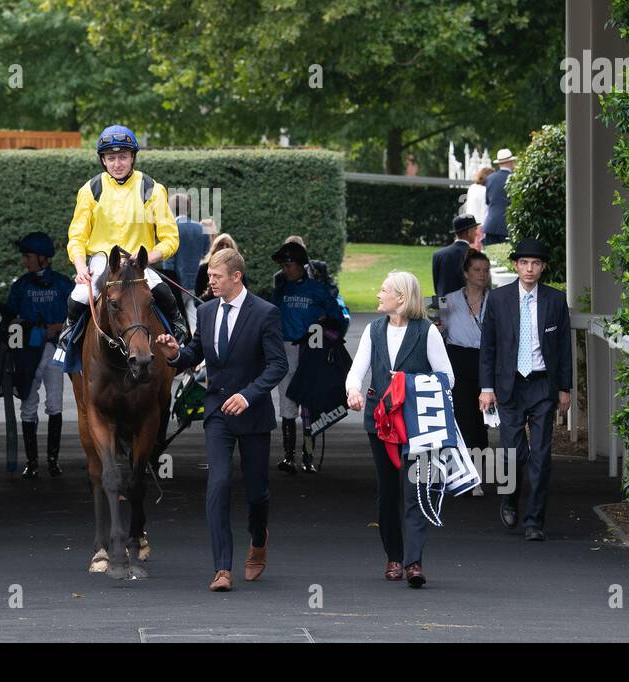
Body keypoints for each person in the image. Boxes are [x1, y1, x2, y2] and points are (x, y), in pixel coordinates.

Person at [155, 248, 288, 592]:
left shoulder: (266, 313)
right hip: (216, 413)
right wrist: (174, 353)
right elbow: (195, 352)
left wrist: (248, 395)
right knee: (218, 484)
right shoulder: (207, 310)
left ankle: (259, 540)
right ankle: (222, 569)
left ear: (236, 277)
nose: (209, 281)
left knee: (258, 494)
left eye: (215, 276)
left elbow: (278, 365)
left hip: (253, 413)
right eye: (209, 276)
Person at [345, 271, 454, 587]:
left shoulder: (427, 332)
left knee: (415, 489)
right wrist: (353, 391)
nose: (378, 295)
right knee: (387, 491)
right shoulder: (374, 330)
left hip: (418, 422)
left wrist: (410, 383)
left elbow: (447, 377)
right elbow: (357, 370)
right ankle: (393, 556)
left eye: (383, 290)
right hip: (380, 422)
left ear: (401, 298)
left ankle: (414, 562)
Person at [54, 125, 185, 363]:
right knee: (78, 298)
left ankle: (180, 333)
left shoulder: (152, 188)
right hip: (102, 261)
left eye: (123, 157)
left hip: (138, 264)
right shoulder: (90, 189)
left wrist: (149, 257)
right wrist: (80, 267)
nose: (117, 163)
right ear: (103, 160)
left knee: (165, 295)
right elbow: (77, 237)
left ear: (133, 157)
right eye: (111, 158)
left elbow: (170, 238)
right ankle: (67, 338)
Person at [478, 238, 572, 542]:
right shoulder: (499, 299)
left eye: (535, 263)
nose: (529, 269)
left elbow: (563, 348)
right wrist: (486, 387)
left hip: (543, 383)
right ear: (516, 266)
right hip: (509, 385)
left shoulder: (555, 301)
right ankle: (509, 498)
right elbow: (488, 346)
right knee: (512, 454)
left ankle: (534, 520)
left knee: (541, 456)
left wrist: (565, 388)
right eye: (524, 263)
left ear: (543, 267)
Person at [270, 238, 346, 475]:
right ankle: (289, 457)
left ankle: (308, 457)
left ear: (301, 265)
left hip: (311, 352)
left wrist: (327, 326)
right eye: (283, 266)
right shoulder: (281, 290)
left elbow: (339, 320)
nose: (285, 270)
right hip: (286, 350)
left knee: (310, 407)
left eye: (288, 265)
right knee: (287, 403)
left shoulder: (319, 290)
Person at [4, 232, 74, 478]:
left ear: (43, 258)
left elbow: (79, 316)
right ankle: (32, 463)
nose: (25, 261)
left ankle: (52, 461)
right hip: (27, 353)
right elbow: (8, 320)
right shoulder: (20, 285)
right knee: (28, 406)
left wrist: (59, 327)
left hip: (55, 352)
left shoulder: (64, 284)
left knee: (55, 403)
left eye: (28, 256)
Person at [435, 248, 491, 496]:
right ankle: (471, 477)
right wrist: (436, 327)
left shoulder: (496, 300)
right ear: (466, 273)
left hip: (487, 360)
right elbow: (441, 333)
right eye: (477, 270)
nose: (482, 275)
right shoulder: (449, 300)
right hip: (458, 359)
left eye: (485, 270)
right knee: (464, 418)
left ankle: (479, 471)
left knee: (483, 420)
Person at [162, 192, 210, 335]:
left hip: (177, 284)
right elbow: (206, 256)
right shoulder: (201, 228)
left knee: (175, 320)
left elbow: (168, 261)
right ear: (188, 208)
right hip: (197, 284)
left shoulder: (172, 228)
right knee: (193, 318)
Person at [431, 214, 479, 299]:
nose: (477, 233)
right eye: (475, 230)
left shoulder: (438, 255)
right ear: (469, 232)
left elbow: (437, 288)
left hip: (443, 306)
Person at [195, 233, 245, 301]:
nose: (224, 248)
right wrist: (207, 294)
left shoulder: (237, 269)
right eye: (221, 245)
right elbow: (197, 301)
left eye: (227, 245)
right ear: (214, 248)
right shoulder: (204, 269)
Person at [481, 149, 516, 246]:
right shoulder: (514, 178)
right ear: (511, 162)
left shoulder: (490, 178)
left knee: (491, 258)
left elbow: (488, 201)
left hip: (491, 225)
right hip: (507, 226)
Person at [465, 166, 494, 248]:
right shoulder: (485, 190)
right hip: (481, 224)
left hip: (470, 222)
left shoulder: (472, 188)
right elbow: (485, 210)